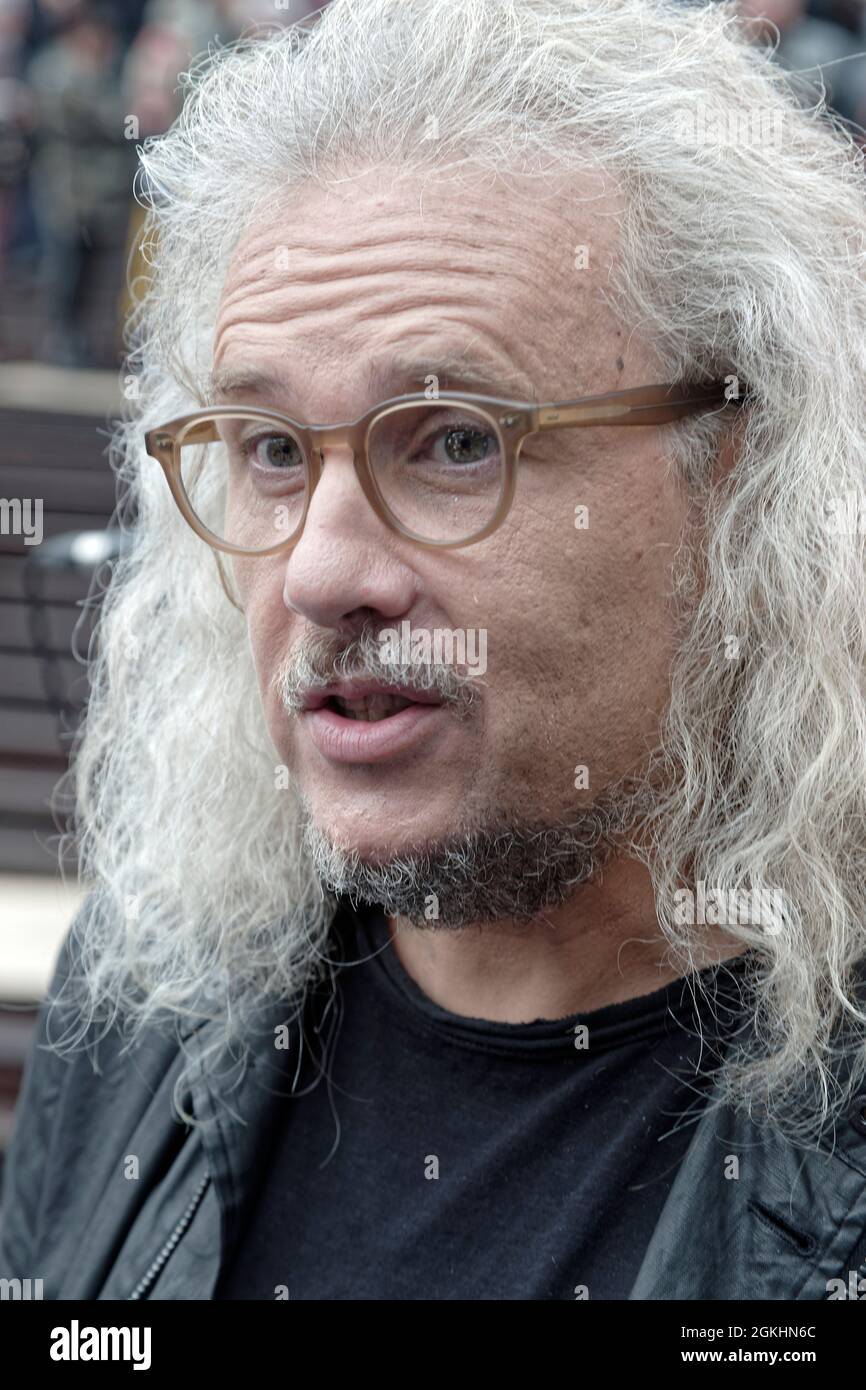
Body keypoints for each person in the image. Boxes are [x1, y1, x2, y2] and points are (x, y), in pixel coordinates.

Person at [2, 0, 866, 1301]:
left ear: (737, 479)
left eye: (457, 438)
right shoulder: (146, 992)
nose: (324, 570)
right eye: (271, 449)